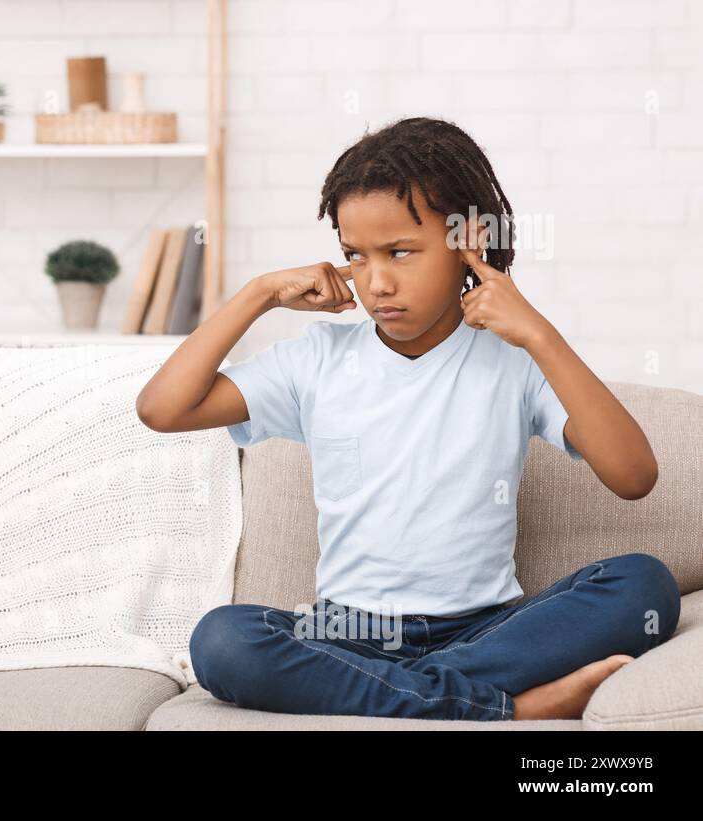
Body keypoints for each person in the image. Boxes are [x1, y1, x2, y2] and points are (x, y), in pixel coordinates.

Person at [137, 116, 680, 721]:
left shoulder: (516, 361)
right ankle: (509, 708)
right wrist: (259, 294)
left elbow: (634, 475)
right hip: (344, 632)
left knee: (644, 586)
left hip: (488, 630)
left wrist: (539, 333)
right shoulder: (317, 360)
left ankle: (405, 692)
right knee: (224, 641)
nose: (377, 282)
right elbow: (163, 408)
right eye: (355, 257)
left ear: (466, 241)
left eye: (400, 251)